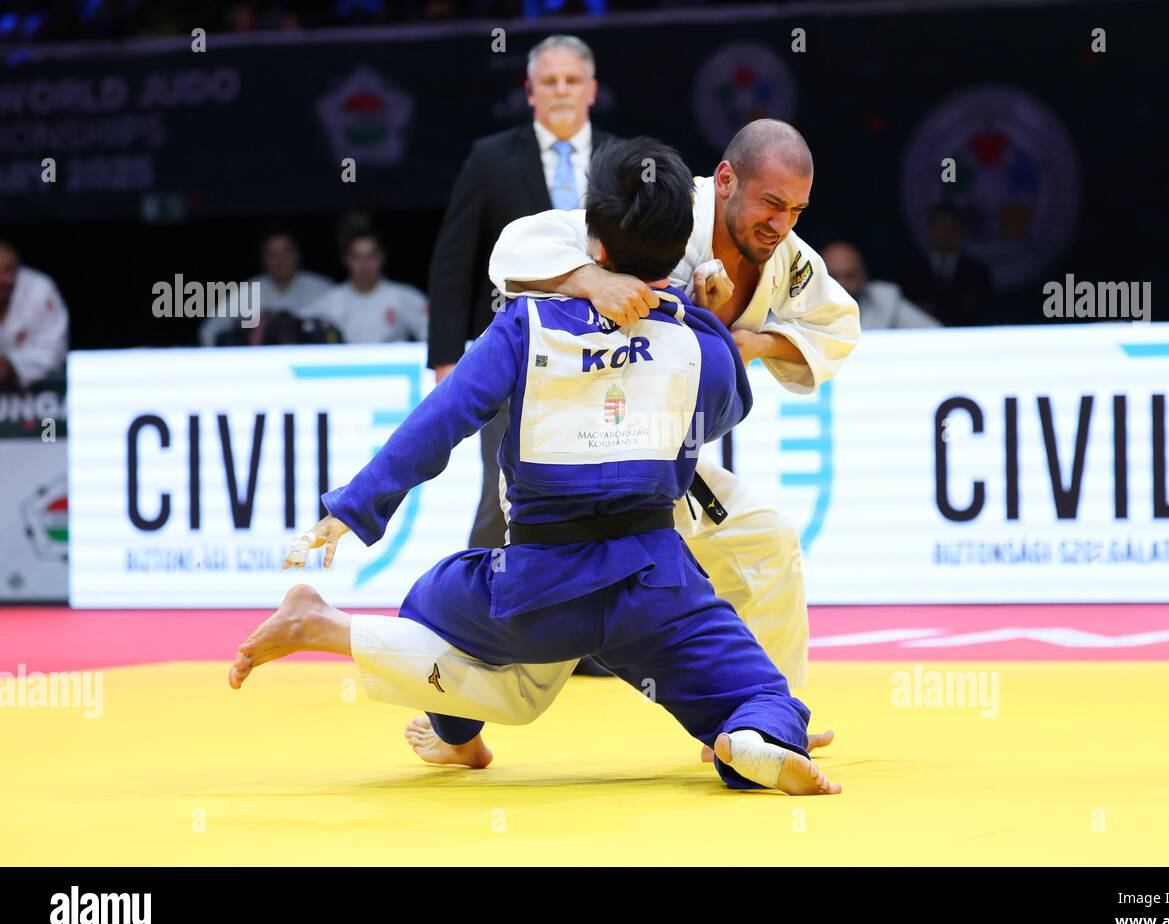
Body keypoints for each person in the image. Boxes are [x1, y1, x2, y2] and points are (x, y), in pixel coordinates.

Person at [227, 138, 840, 797]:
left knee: (437, 607)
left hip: (538, 584)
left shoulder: (526, 324)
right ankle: (750, 737)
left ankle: (407, 692)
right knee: (769, 697)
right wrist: (704, 326)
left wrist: (353, 505)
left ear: (592, 242)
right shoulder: (703, 345)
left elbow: (445, 418)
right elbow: (714, 419)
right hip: (658, 589)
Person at [475, 119, 859, 761]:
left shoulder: (786, 257)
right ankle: (445, 714)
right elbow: (516, 246)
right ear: (727, 180)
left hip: (658, 465)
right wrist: (590, 280)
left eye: (797, 210)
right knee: (531, 668)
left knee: (766, 542)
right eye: (771, 203)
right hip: (577, 463)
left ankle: (771, 717)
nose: (783, 224)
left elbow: (839, 327)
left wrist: (754, 341)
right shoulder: (663, 208)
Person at [427, 34, 622, 552]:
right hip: (512, 353)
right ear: (530, 91)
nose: (561, 90)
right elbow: (453, 262)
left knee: (613, 487)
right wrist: (447, 357)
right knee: (503, 491)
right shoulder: (489, 159)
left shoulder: (623, 161)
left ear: (591, 89)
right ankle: (465, 611)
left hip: (610, 352)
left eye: (572, 80)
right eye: (549, 81)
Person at [197, 228, 333, 347]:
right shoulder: (248, 291)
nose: (280, 260)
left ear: (298, 254)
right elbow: (208, 331)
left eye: (287, 251)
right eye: (272, 253)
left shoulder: (321, 289)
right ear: (263, 258)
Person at [304, 228, 428, 343]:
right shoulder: (330, 301)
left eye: (371, 256)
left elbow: (431, 332)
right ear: (346, 259)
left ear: (382, 257)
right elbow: (299, 327)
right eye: (357, 257)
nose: (364, 265)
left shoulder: (404, 296)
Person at [900, 203, 992, 327]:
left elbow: (983, 313)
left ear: (960, 231)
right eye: (940, 227)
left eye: (950, 226)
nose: (945, 233)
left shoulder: (977, 272)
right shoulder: (911, 271)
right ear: (929, 231)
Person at [822, 240, 939, 330]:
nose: (842, 284)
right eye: (833, 277)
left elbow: (935, 331)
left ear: (863, 276)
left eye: (849, 276)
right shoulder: (804, 305)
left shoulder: (885, 300)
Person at [0, 241, 69, 392]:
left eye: (7, 271)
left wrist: (13, 366)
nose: (1, 279)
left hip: (40, 399)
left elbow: (55, 351)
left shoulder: (39, 290)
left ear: (18, 270)